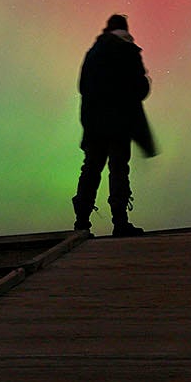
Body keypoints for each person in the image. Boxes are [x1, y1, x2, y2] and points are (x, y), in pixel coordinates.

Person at [72, 13, 156, 236]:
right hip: (119, 122)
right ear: (125, 30)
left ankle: (81, 221)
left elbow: (82, 88)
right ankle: (120, 221)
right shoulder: (128, 51)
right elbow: (139, 89)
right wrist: (145, 82)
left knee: (91, 169)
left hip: (94, 124)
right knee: (118, 169)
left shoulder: (92, 53)